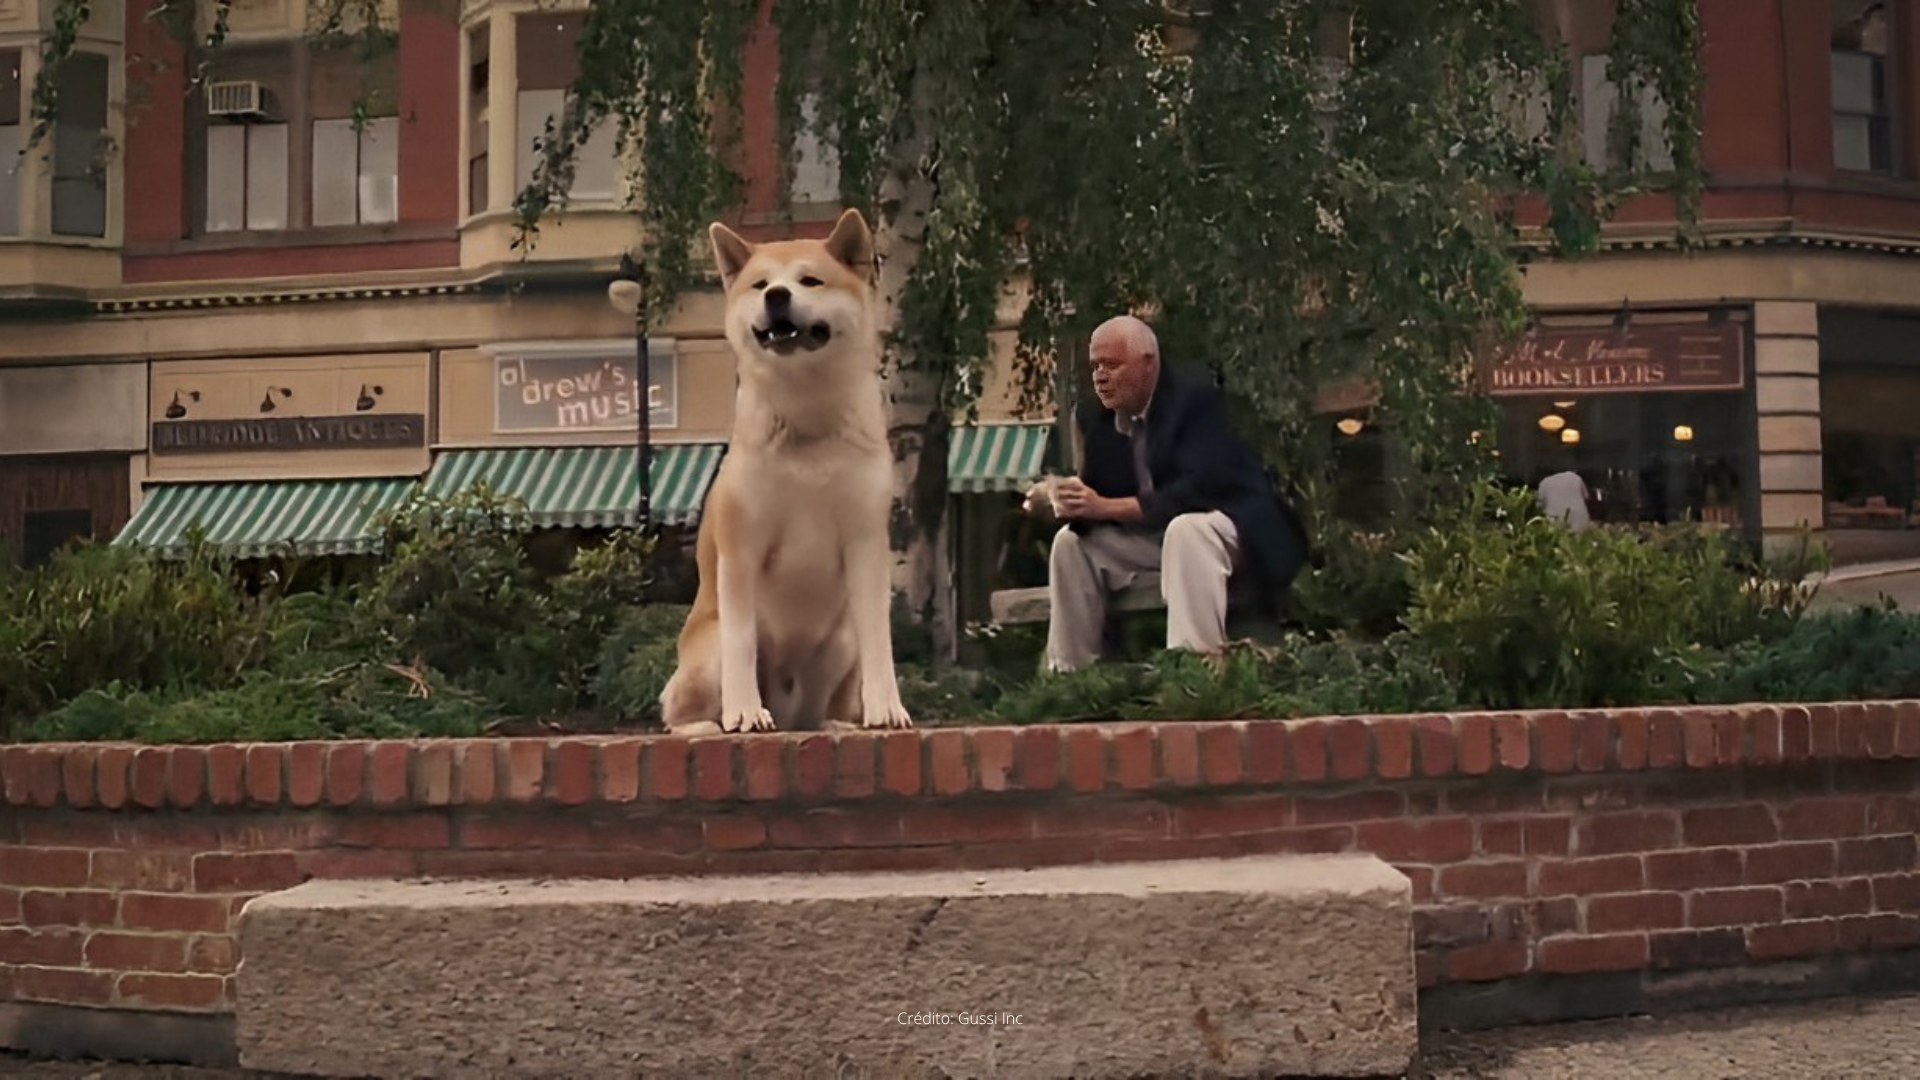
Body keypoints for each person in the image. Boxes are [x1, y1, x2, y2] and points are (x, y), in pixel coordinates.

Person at [1025, 314, 1308, 672]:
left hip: (1230, 527)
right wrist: (1065, 500)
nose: (1100, 376)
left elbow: (1200, 489)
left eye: (1112, 365)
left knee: (1185, 530)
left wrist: (1106, 506)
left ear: (1148, 364)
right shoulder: (1096, 416)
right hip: (1157, 538)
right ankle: (1069, 677)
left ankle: (1190, 670)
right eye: (1095, 366)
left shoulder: (1195, 400)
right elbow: (1099, 497)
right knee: (1071, 544)